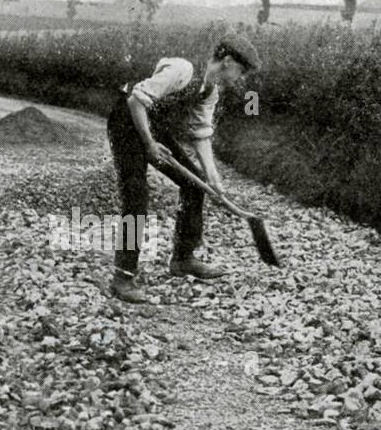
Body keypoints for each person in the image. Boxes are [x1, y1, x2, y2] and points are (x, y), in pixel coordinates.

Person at [106, 33, 263, 304]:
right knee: (136, 196)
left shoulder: (210, 91)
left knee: (194, 185)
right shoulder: (183, 69)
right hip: (126, 121)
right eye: (240, 71)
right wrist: (149, 144)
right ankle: (123, 277)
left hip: (152, 127)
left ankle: (182, 258)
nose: (240, 79)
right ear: (227, 61)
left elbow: (200, 134)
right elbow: (135, 100)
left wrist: (213, 178)